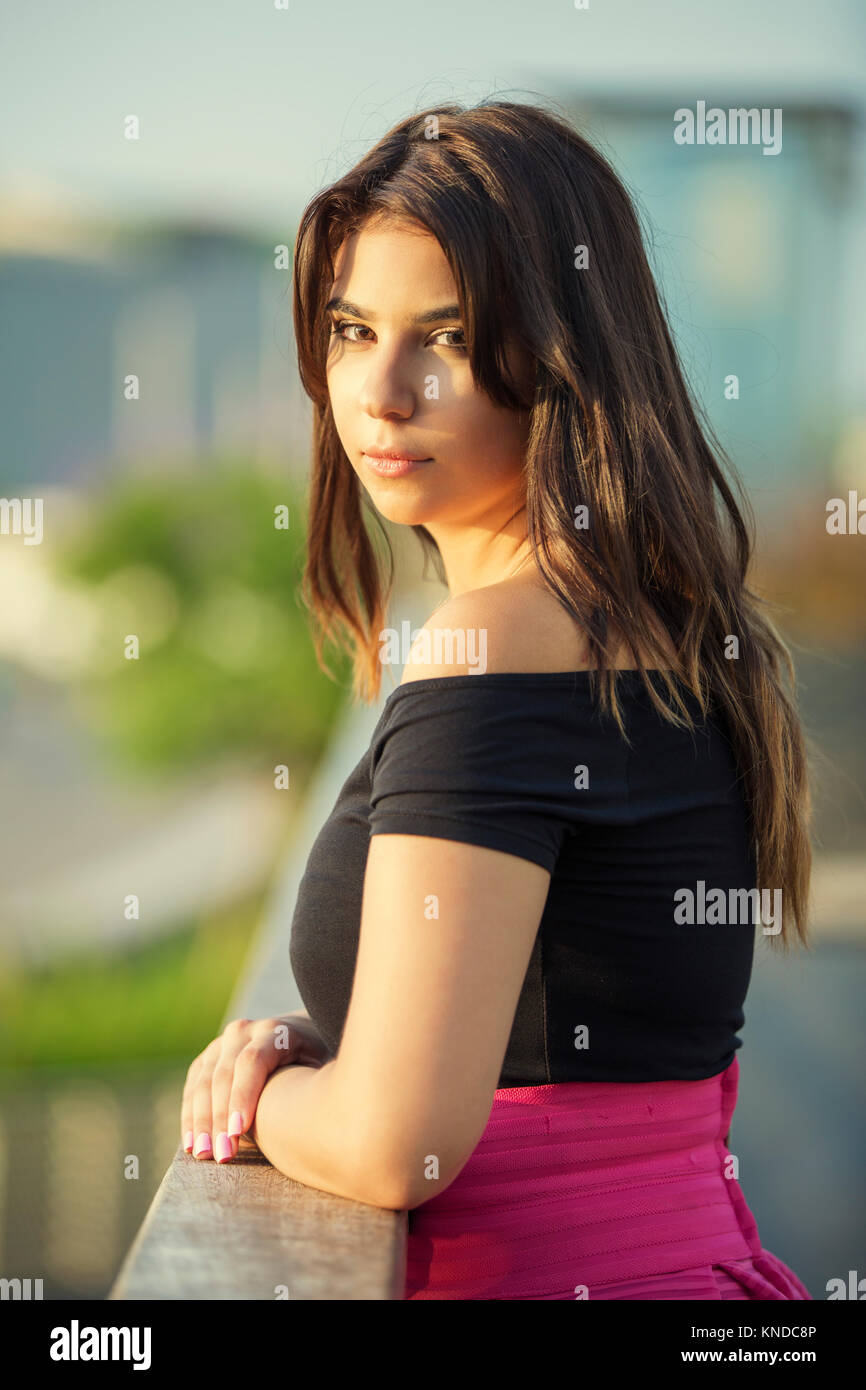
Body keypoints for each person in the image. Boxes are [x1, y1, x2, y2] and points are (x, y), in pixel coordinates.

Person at [180, 99, 813, 1300]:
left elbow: (392, 1147)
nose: (380, 391)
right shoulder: (658, 624)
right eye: (351, 328)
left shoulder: (496, 644)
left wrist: (267, 1094)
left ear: (563, 358)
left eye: (450, 339)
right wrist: (355, 1055)